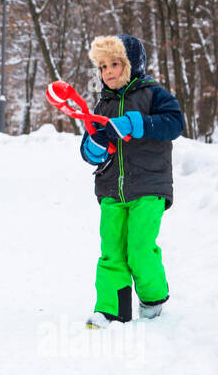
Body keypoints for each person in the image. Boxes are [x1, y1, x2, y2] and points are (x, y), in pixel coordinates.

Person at [78, 34, 184, 329]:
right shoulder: (102, 105)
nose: (108, 72)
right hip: (112, 189)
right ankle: (113, 309)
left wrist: (137, 123)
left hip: (149, 188)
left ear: (132, 65)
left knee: (138, 246)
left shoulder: (153, 94)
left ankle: (152, 298)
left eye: (114, 64)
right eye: (102, 67)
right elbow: (89, 150)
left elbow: (174, 123)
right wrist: (94, 147)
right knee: (112, 249)